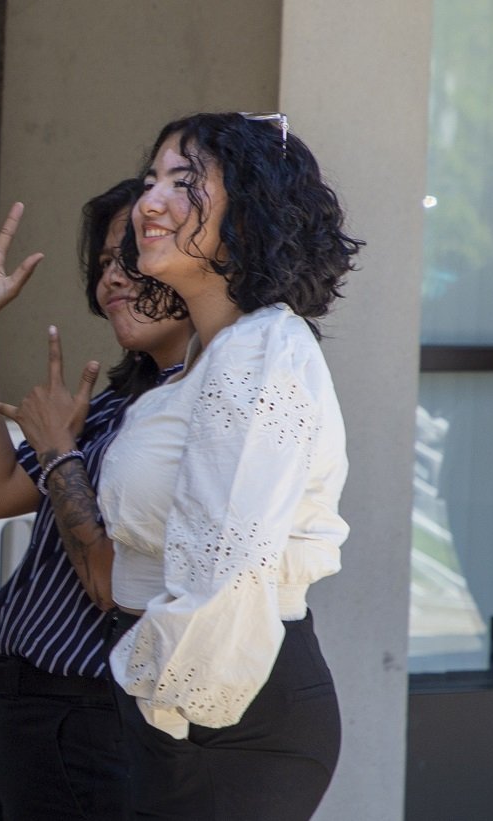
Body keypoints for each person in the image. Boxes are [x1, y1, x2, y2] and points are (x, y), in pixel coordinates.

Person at [98, 112, 358, 820]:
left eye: (185, 182)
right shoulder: (207, 358)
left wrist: (157, 697)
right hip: (193, 699)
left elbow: (229, 560)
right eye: (152, 179)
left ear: (252, 207)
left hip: (221, 708)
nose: (151, 201)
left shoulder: (261, 349)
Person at [0, 189, 194, 820]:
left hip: (91, 714)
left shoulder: (200, 408)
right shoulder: (120, 402)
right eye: (104, 263)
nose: (112, 278)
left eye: (134, 256)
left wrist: (56, 454)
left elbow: (112, 586)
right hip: (35, 711)